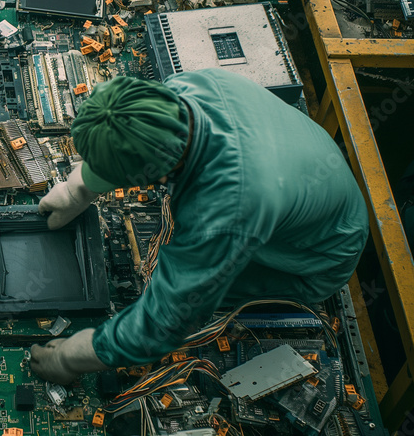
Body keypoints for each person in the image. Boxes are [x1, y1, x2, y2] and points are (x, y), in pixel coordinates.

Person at [30, 69, 368, 383]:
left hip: (318, 256)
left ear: (154, 177)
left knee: (201, 295)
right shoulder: (186, 88)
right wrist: (79, 189)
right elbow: (129, 130)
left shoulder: (230, 206)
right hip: (313, 180)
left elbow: (164, 324)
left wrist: (78, 357)